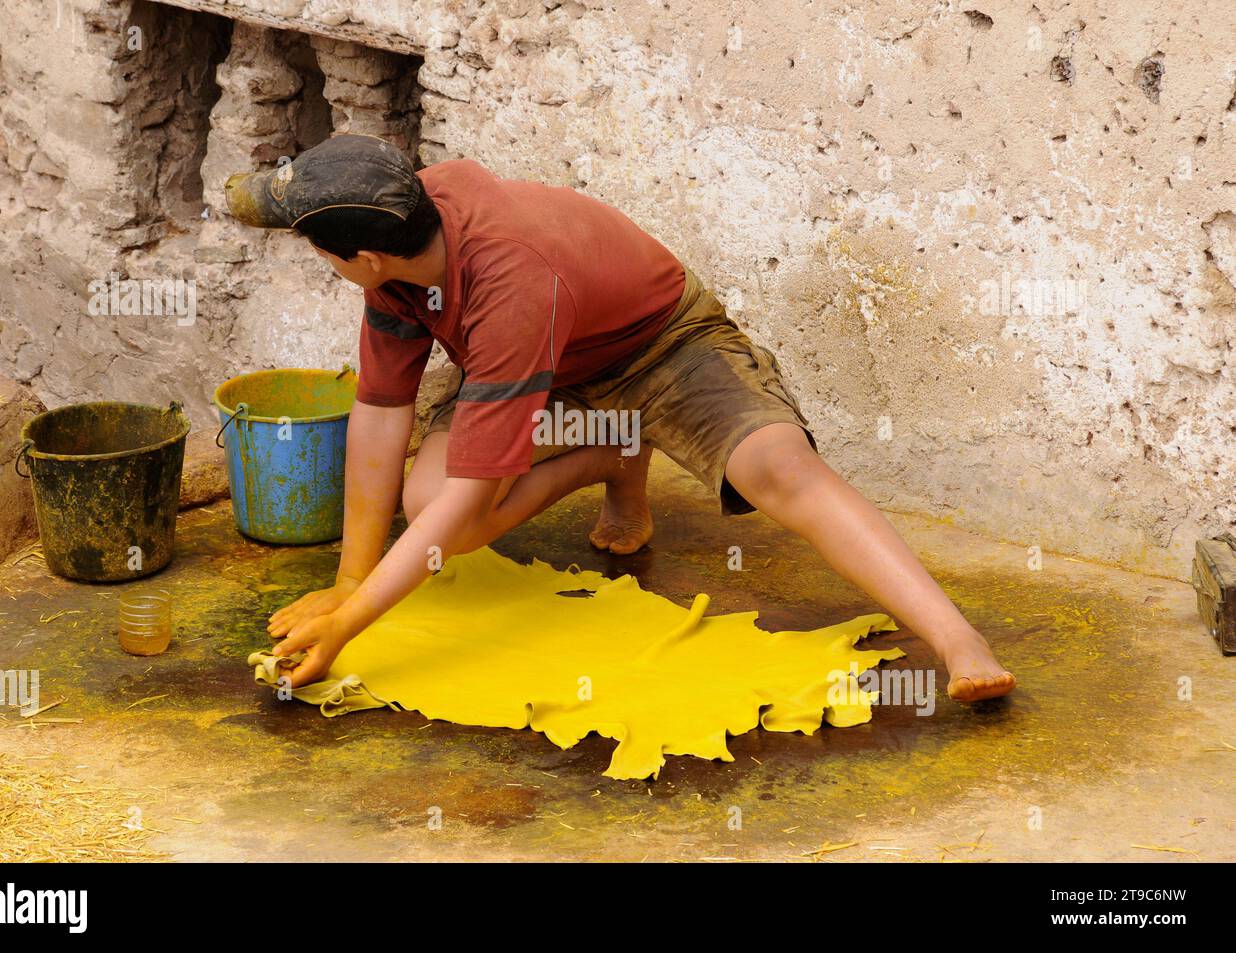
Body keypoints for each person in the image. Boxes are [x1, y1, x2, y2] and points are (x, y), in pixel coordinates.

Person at [224, 134, 1015, 703]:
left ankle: (954, 637)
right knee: (433, 511)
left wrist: (351, 626)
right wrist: (350, 581)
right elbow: (379, 412)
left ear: (360, 259)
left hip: (663, 340)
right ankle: (614, 452)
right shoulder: (398, 241)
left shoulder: (501, 278)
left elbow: (476, 486)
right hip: (548, 366)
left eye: (312, 246)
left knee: (779, 469)